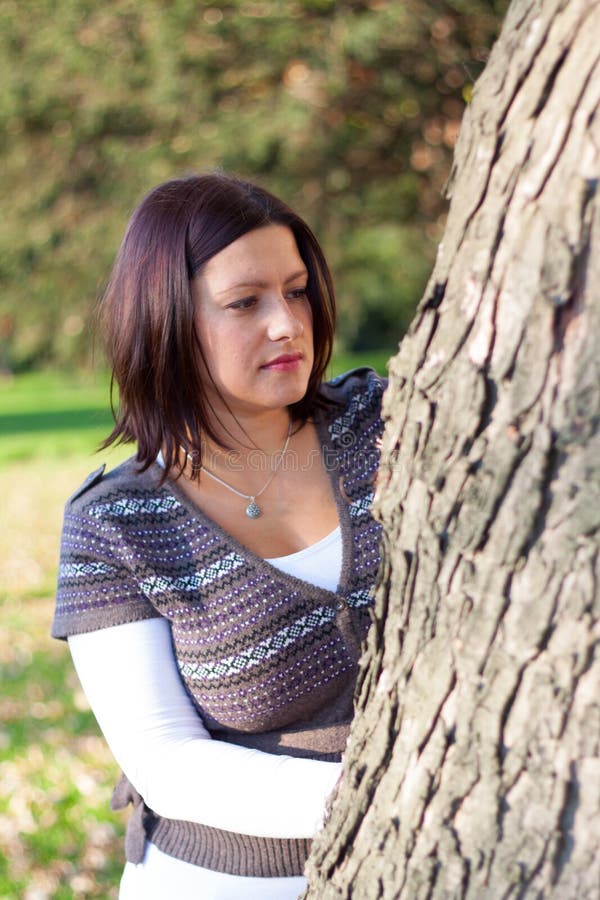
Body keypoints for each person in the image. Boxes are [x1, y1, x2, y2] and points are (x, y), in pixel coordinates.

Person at [52, 172, 387, 899]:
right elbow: (169, 764)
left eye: (297, 290)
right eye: (245, 303)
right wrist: (403, 799)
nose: (287, 323)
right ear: (165, 320)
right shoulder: (116, 528)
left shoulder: (384, 427)